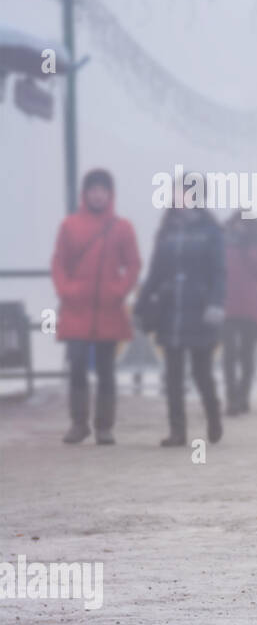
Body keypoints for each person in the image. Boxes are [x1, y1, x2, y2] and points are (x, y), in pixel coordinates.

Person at [50, 168, 141, 445]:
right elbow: (59, 263)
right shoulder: (70, 226)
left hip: (108, 309)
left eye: (103, 189)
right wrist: (66, 290)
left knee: (106, 369)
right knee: (77, 363)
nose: (98, 194)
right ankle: (79, 423)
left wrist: (119, 290)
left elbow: (134, 264)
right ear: (85, 193)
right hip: (77, 308)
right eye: (93, 189)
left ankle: (104, 426)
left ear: (109, 194)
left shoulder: (122, 227)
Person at [134, 176, 226, 446]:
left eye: (186, 192)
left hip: (201, 311)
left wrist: (216, 304)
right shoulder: (167, 229)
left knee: (201, 373)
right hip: (170, 310)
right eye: (178, 191)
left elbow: (219, 273)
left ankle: (213, 415)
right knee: (172, 374)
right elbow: (155, 271)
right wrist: (141, 305)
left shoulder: (211, 230)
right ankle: (177, 431)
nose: (180, 196)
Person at [222, 214, 257, 416]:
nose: (240, 228)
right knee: (229, 355)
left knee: (247, 355)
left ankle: (243, 396)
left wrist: (249, 247)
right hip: (227, 306)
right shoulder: (225, 241)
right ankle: (231, 397)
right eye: (237, 224)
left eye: (244, 225)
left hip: (251, 308)